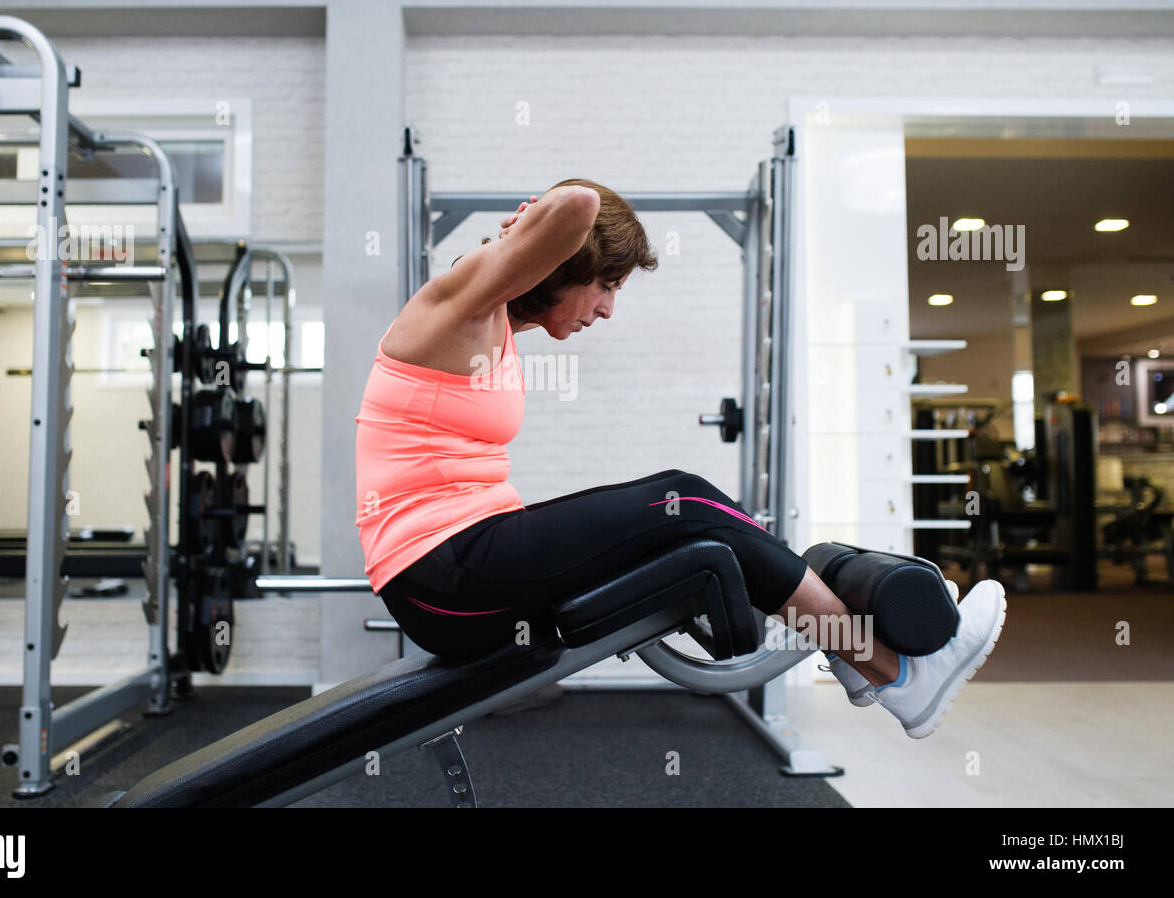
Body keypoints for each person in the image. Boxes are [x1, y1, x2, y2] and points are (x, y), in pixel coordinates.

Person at [355, 179, 1005, 739]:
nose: (607, 307)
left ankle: (857, 655)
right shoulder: (460, 295)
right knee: (683, 498)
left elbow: (568, 222)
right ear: (559, 263)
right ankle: (901, 674)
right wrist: (532, 226)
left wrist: (537, 240)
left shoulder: (491, 322)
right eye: (607, 283)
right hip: (440, 575)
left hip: (457, 565)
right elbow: (579, 203)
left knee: (688, 507)